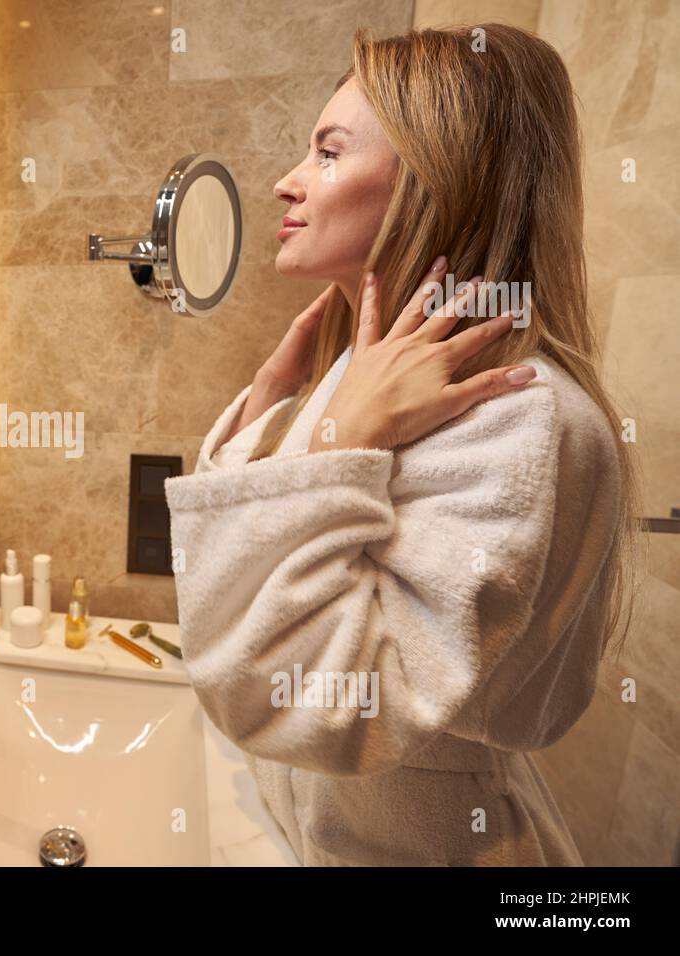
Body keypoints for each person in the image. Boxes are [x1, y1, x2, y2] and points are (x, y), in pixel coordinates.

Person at [164, 24, 643, 865]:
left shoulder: (519, 415)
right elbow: (239, 610)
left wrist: (336, 435)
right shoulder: (371, 379)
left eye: (327, 153)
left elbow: (297, 693)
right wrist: (267, 416)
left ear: (434, 177)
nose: (286, 183)